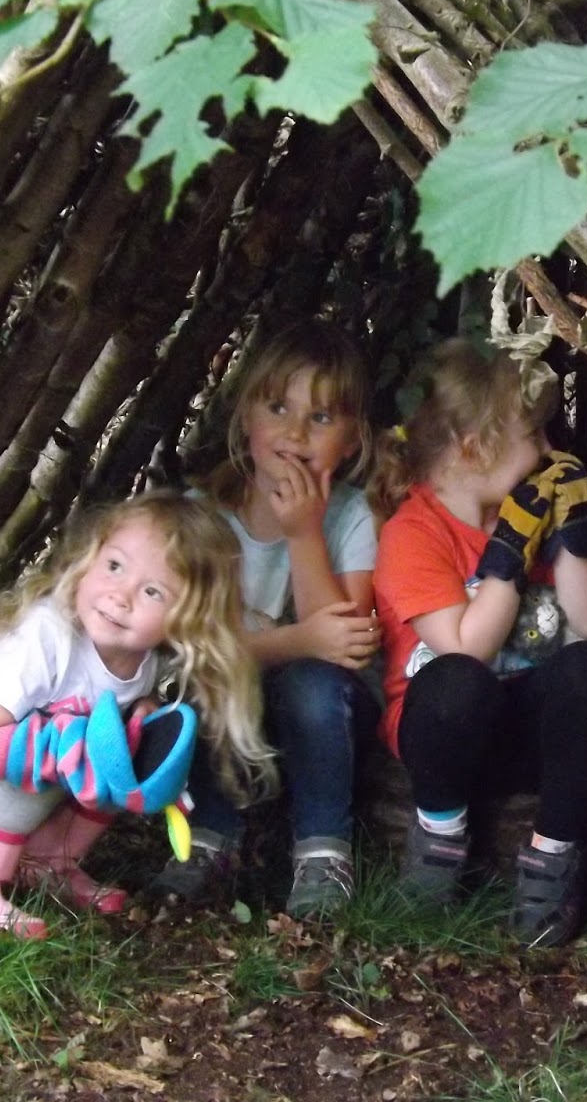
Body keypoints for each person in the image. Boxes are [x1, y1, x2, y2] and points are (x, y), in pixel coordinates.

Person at [0, 493, 273, 938]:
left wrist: (136, 731)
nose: (120, 596)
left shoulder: (148, 661)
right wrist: (63, 750)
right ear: (88, 560)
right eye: (115, 566)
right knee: (56, 745)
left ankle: (46, 864)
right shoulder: (47, 637)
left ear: (186, 620)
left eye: (153, 591)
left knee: (112, 749)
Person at [371, 339, 587, 948]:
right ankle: (440, 837)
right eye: (533, 436)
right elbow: (465, 649)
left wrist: (571, 544)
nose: (548, 451)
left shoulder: (533, 510)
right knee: (455, 681)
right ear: (475, 448)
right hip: (445, 740)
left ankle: (554, 853)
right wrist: (507, 555)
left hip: (525, 734)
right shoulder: (413, 534)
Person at [150, 322, 380, 919]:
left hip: (323, 717)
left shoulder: (353, 517)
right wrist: (300, 640)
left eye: (322, 419)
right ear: (246, 416)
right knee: (207, 679)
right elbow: (197, 647)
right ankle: (209, 841)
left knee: (312, 681)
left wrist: (305, 531)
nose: (296, 433)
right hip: (226, 706)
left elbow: (346, 647)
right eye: (278, 407)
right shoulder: (206, 517)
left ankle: (323, 851)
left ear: (352, 442)